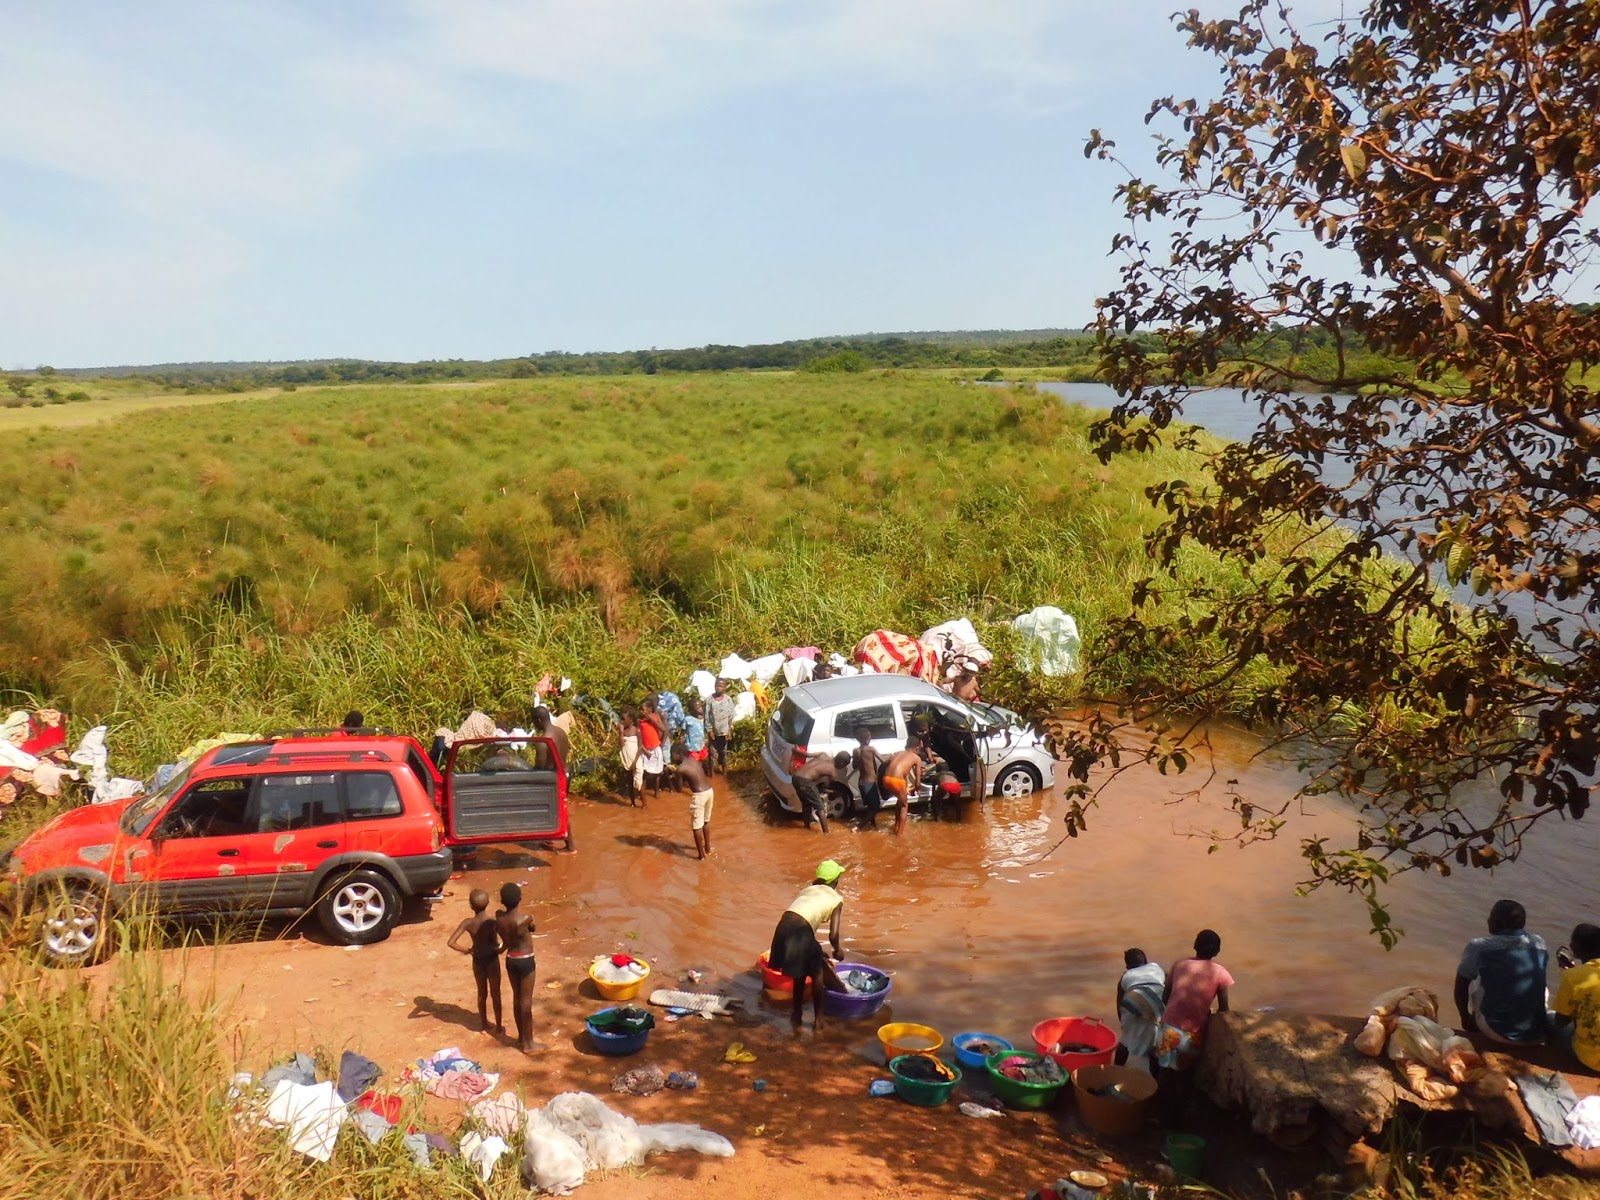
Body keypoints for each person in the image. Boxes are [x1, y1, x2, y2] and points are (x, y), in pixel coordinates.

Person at [1157, 930, 1234, 1123]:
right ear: (1217, 951)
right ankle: (1180, 1116)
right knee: (1184, 1076)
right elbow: (1224, 1009)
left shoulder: (1179, 965)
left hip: (1169, 1027)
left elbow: (1166, 996)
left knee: (1165, 1072)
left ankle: (1161, 1114)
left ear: (1194, 945)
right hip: (1192, 1032)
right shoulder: (1220, 973)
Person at [768, 860, 849, 1033]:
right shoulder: (836, 898)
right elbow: (833, 935)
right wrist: (837, 950)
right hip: (800, 931)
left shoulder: (807, 890)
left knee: (801, 970)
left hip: (783, 927)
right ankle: (818, 1019)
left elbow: (803, 917)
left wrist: (817, 950)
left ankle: (796, 1014)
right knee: (817, 970)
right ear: (835, 881)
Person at [1454, 898, 1550, 1044]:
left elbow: (1461, 986)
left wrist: (1464, 1017)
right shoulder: (1539, 943)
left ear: (1496, 923)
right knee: (1540, 986)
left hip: (1497, 1032)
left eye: (1491, 917)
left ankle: (1477, 1024)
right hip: (1535, 1034)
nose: (1488, 920)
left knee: (1475, 981)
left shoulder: (1480, 947)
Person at [447, 888, 504, 1034]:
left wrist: (467, 950)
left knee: (482, 993)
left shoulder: (468, 923)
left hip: (478, 960)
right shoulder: (492, 922)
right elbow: (504, 940)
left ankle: (483, 1024)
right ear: (488, 903)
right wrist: (499, 949)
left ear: (471, 906)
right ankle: (498, 1026)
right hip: (492, 959)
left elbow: (451, 942)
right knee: (495, 993)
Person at [496, 882, 543, 1053]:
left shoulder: (499, 918)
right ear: (520, 899)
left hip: (510, 959)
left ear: (502, 901)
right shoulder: (525, 919)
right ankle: (529, 1044)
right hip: (525, 960)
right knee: (526, 1002)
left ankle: (521, 1038)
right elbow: (533, 928)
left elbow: (500, 916)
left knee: (517, 998)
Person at [1553, 923, 1600, 1073]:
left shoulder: (1573, 977)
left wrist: (1568, 977)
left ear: (1575, 947)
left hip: (1591, 1060)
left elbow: (1560, 1022)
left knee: (1547, 1020)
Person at [1114, 948, 1166, 1075]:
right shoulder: (1157, 969)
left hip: (1133, 999)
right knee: (1153, 1044)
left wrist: (1124, 1022)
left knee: (1125, 1042)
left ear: (1127, 965)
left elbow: (1120, 1002)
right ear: (1146, 961)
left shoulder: (1126, 976)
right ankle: (1156, 1080)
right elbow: (1168, 986)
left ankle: (1115, 1071)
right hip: (1155, 1000)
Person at [671, 744, 715, 860]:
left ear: (678, 755)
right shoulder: (694, 760)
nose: (671, 757)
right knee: (706, 821)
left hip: (699, 795)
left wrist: (673, 776)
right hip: (709, 791)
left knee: (696, 827)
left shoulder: (681, 769)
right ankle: (708, 848)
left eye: (672, 755)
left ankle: (701, 856)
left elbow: (679, 790)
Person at [791, 751, 850, 834]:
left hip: (795, 777)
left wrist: (796, 751)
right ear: (841, 763)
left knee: (806, 804)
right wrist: (833, 792)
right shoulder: (832, 772)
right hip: (805, 782)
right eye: (844, 766)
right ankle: (826, 833)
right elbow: (822, 789)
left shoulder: (823, 755)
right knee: (820, 807)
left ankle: (806, 828)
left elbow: (807, 754)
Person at [878, 737, 925, 836]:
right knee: (904, 805)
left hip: (885, 779)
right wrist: (916, 789)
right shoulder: (916, 758)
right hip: (897, 781)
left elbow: (885, 763)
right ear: (916, 748)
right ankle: (900, 834)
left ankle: (896, 826)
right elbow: (918, 781)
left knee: (900, 801)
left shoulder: (897, 753)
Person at [638, 695, 666, 802]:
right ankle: (643, 792)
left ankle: (656, 792)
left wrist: (651, 720)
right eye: (640, 709)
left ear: (650, 710)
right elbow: (638, 737)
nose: (641, 712)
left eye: (643, 709)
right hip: (645, 750)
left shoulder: (655, 717)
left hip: (655, 748)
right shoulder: (639, 721)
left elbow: (664, 729)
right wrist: (644, 750)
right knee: (644, 772)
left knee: (657, 773)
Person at [851, 726, 883, 818]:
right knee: (875, 807)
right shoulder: (870, 749)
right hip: (870, 783)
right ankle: (859, 827)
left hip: (861, 783)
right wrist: (892, 757)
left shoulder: (856, 751)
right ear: (867, 739)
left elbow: (854, 766)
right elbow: (883, 761)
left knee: (870, 807)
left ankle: (873, 826)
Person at [706, 680, 736, 774]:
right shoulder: (709, 699)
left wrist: (729, 730)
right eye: (717, 685)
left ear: (725, 687)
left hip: (724, 731)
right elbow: (707, 716)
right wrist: (709, 730)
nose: (718, 688)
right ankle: (712, 774)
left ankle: (724, 773)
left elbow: (730, 716)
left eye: (721, 686)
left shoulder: (728, 699)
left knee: (723, 753)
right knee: (712, 753)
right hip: (714, 732)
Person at [619, 708, 642, 805]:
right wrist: (620, 732)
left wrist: (635, 762)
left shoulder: (637, 731)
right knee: (630, 783)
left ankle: (644, 805)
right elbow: (620, 745)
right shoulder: (623, 731)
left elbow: (640, 747)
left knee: (639, 784)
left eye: (624, 719)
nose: (622, 721)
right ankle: (632, 803)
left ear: (631, 719)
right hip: (626, 759)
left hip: (635, 760)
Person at [683, 699, 708, 763]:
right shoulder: (688, 719)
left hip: (701, 745)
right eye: (698, 707)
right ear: (692, 710)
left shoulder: (703, 719)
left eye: (701, 707)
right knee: (695, 763)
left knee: (703, 761)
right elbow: (683, 731)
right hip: (691, 747)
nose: (700, 709)